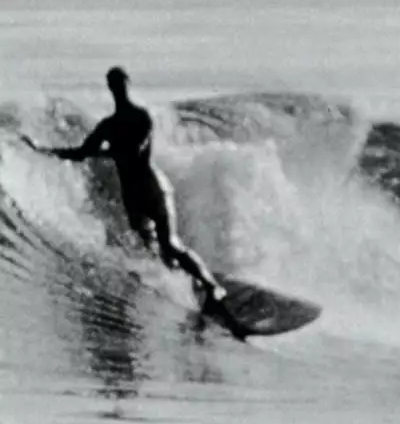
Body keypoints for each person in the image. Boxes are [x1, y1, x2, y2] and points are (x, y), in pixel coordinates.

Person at [21, 66, 245, 339]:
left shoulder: (141, 117)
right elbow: (81, 153)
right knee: (150, 246)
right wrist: (42, 150)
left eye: (122, 84)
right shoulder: (107, 125)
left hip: (152, 188)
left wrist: (104, 151)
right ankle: (190, 282)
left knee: (169, 243)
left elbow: (135, 149)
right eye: (114, 85)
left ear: (127, 85)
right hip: (132, 195)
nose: (119, 89)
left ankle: (211, 287)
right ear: (111, 88)